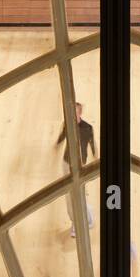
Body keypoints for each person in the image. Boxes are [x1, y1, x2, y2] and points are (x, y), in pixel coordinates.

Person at [56, 101, 95, 237]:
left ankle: (85, 216)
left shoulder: (87, 128)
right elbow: (62, 137)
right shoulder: (67, 124)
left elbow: (92, 145)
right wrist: (56, 145)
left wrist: (95, 158)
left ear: (80, 113)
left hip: (80, 166)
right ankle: (75, 222)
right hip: (67, 163)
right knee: (69, 195)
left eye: (75, 111)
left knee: (80, 193)